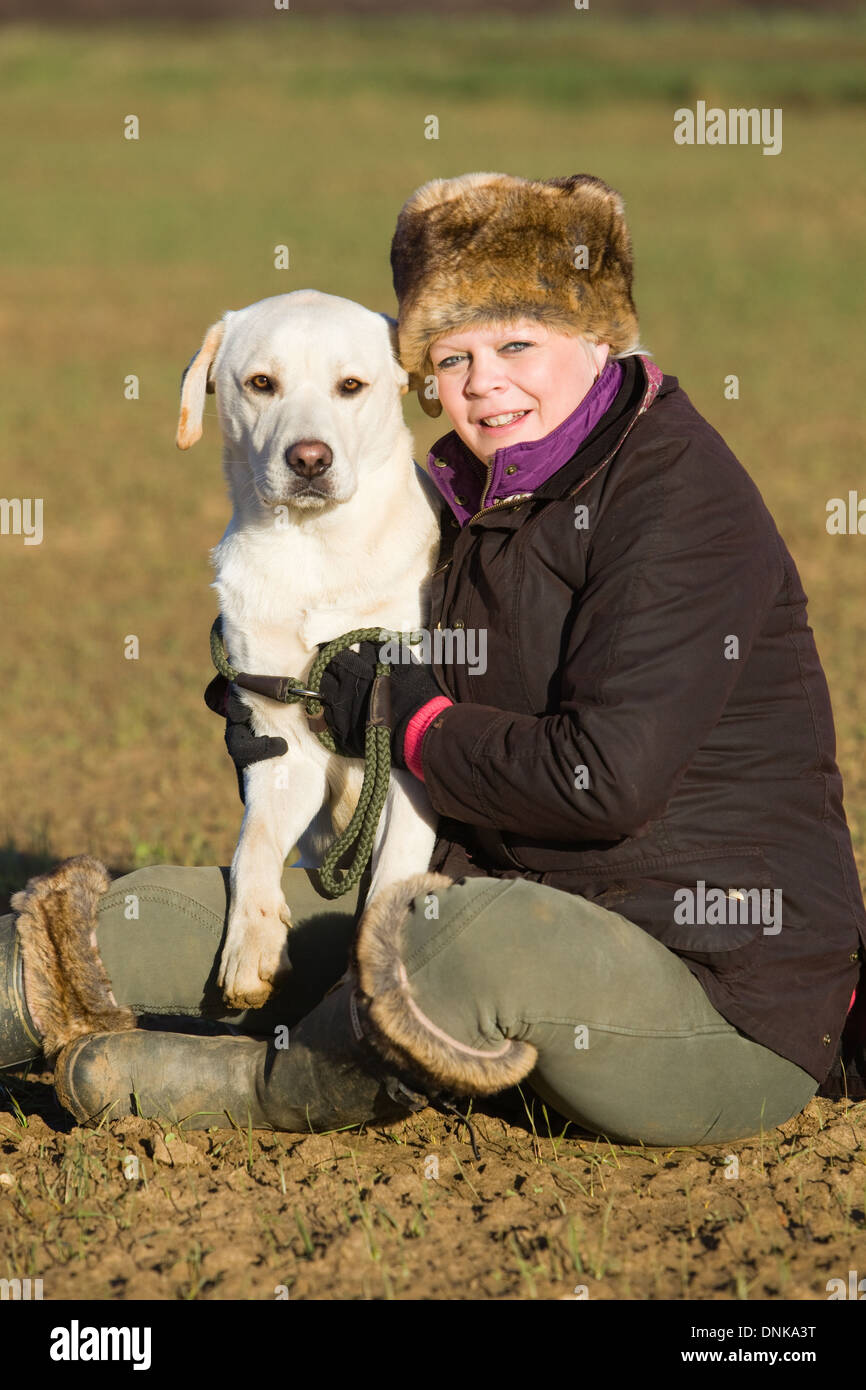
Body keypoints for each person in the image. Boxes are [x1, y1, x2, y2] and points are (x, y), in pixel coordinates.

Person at [3, 172, 865, 1145]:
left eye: (515, 345)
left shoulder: (678, 501)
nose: (484, 381)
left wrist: (405, 718)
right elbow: (346, 701)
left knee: (457, 944)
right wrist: (268, 689)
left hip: (718, 993)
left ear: (598, 339)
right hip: (502, 895)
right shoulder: (473, 496)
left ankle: (262, 1088)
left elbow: (603, 781)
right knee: (176, 911)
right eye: (451, 357)